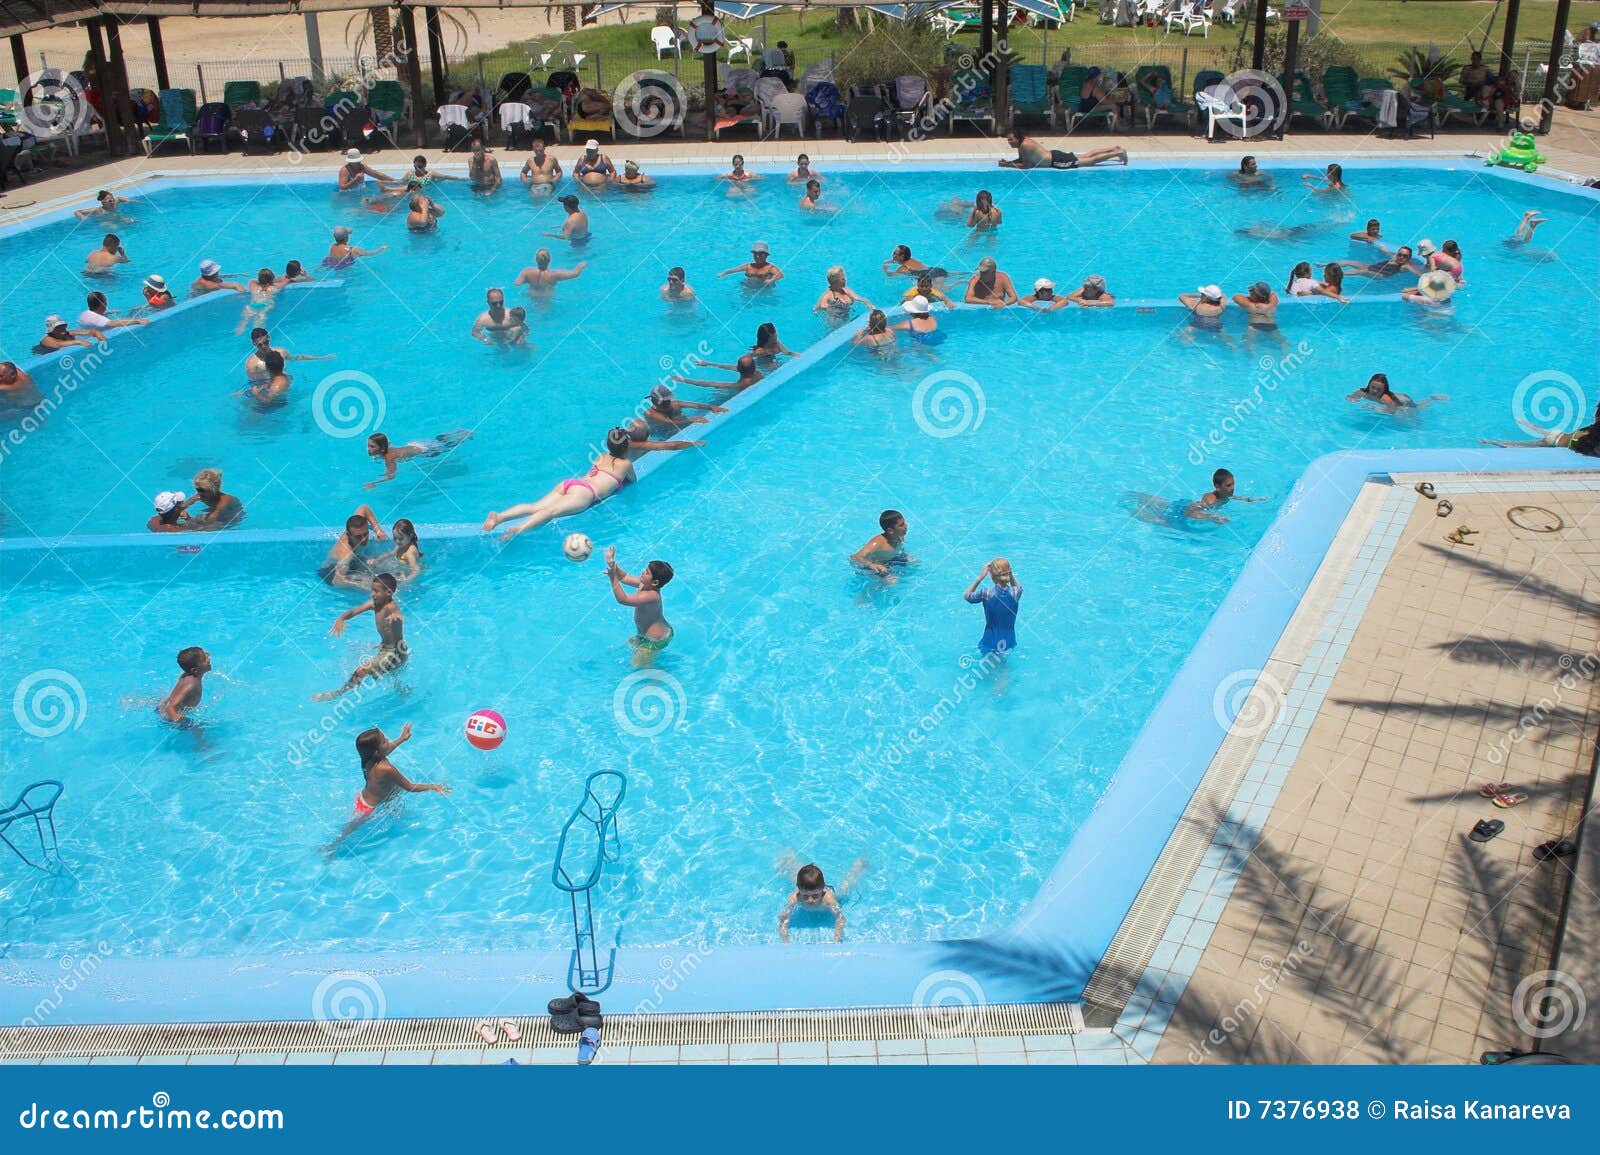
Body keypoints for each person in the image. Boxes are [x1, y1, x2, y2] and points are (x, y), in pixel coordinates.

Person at [483, 427, 638, 540]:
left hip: (572, 483)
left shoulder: (601, 457)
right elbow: (632, 480)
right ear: (626, 447)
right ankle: (519, 529)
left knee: (535, 506)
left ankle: (500, 516)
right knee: (550, 512)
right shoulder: (625, 464)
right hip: (586, 493)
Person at [322, 724, 451, 854]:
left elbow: (386, 750)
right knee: (348, 832)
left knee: (351, 828)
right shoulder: (386, 769)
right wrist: (434, 786)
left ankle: (331, 846)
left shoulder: (369, 759)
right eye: (384, 741)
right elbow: (410, 787)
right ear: (377, 751)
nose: (388, 741)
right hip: (369, 809)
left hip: (364, 798)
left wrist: (402, 738)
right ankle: (330, 849)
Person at [314, 573, 409, 700]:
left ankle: (337, 694)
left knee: (361, 670)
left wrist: (396, 615)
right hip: (385, 648)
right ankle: (401, 690)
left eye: (376, 591)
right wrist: (341, 618)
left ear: (389, 592)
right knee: (364, 653)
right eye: (372, 590)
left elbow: (395, 610)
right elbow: (354, 611)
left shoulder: (390, 606)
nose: (372, 594)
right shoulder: (374, 604)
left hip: (396, 651)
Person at [603, 547, 675, 667]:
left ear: (655, 582)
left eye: (646, 572)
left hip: (654, 641)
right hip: (648, 635)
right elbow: (624, 577)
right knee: (630, 645)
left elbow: (623, 599)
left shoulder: (652, 595)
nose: (643, 571)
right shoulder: (644, 584)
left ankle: (655, 681)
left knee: (637, 667)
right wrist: (612, 564)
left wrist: (612, 578)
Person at [778, 861, 865, 944]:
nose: (810, 900)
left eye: (815, 896)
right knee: (795, 876)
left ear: (822, 890)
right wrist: (785, 941)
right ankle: (788, 859)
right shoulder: (795, 898)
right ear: (799, 890)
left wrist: (837, 938)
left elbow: (840, 917)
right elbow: (783, 919)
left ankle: (858, 867)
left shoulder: (828, 899)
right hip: (808, 888)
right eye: (805, 896)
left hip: (834, 895)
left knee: (844, 889)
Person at [1481, 400, 1600, 455]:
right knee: (1522, 445)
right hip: (1556, 441)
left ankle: (1520, 422)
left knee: (1537, 430)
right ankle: (1495, 442)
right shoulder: (1592, 441)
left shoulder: (1592, 430)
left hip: (1561, 435)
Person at [365, 429, 473, 487]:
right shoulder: (387, 448)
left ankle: (463, 436)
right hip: (415, 444)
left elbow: (391, 476)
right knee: (439, 441)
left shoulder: (389, 457)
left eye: (372, 446)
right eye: (368, 445)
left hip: (425, 451)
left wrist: (374, 483)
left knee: (447, 446)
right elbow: (388, 443)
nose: (368, 449)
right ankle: (454, 433)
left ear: (382, 448)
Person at [964, 559, 1022, 656]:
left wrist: (981, 576)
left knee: (989, 668)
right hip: (1008, 641)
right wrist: (1010, 575)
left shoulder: (985, 594)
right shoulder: (1015, 593)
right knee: (1004, 667)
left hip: (989, 641)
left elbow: (967, 596)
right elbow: (1019, 588)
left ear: (991, 575)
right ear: (1008, 573)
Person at [320, 507, 388, 588]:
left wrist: (378, 530)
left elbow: (364, 508)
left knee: (379, 565)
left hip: (350, 562)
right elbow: (337, 581)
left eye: (366, 533)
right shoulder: (347, 554)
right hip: (331, 572)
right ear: (349, 534)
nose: (363, 539)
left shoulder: (355, 526)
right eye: (358, 536)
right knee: (368, 578)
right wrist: (367, 586)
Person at [998, 130, 1126, 170]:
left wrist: (1008, 165)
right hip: (1054, 155)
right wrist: (1008, 162)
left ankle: (1118, 152)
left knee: (1089, 161)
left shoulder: (1024, 146)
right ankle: (1114, 149)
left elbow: (1027, 165)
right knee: (1086, 155)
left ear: (1017, 138)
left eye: (1010, 140)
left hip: (1057, 161)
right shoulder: (1023, 142)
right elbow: (1022, 160)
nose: (1009, 142)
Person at [246, 327, 332, 384]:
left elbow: (296, 358)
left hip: (287, 383)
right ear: (254, 343)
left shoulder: (281, 352)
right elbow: (252, 383)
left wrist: (320, 358)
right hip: (271, 390)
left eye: (266, 342)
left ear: (269, 337)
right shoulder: (252, 363)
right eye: (260, 345)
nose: (264, 346)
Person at [1185, 468, 1261, 524]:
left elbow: (1235, 497)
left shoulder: (1226, 494)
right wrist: (1212, 517)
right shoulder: (1210, 500)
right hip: (1182, 510)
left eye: (1233, 484)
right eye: (1228, 485)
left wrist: (1251, 500)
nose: (1233, 488)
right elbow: (1190, 513)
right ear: (1217, 487)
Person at [851, 509, 911, 579]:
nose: (906, 526)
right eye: (901, 525)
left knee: (914, 561)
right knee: (892, 581)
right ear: (890, 530)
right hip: (874, 568)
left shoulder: (899, 536)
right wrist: (871, 565)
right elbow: (855, 557)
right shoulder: (878, 543)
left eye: (904, 523)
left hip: (889, 561)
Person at [159, 646, 211, 723]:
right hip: (170, 717)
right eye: (204, 658)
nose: (208, 656)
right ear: (195, 670)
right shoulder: (190, 686)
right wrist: (181, 721)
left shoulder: (189, 674)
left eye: (205, 654)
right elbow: (169, 708)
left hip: (163, 708)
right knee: (198, 729)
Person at [180, 468, 244, 529]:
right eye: (197, 489)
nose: (199, 493)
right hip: (215, 512)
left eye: (202, 490)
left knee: (209, 528)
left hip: (232, 514)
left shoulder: (223, 502)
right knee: (193, 524)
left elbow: (209, 521)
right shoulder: (200, 495)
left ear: (214, 490)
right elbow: (183, 506)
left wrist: (188, 519)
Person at [644, 384, 726, 430]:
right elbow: (668, 422)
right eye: (665, 401)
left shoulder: (675, 404)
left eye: (668, 399)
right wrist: (691, 420)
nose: (668, 402)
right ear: (655, 401)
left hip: (682, 426)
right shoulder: (650, 413)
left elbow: (696, 405)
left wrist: (711, 407)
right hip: (663, 434)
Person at [672, 354, 764, 393]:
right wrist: (708, 363)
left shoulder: (740, 385)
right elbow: (731, 367)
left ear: (739, 368)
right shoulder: (757, 374)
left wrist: (683, 380)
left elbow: (710, 384)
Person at [514, 247, 586, 294]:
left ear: (536, 260)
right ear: (550, 260)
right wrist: (580, 266)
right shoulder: (554, 275)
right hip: (546, 299)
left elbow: (517, 283)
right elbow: (575, 274)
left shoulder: (527, 271)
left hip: (531, 296)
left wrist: (528, 279)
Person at [1233, 281, 1282, 346]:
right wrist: (1268, 305)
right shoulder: (1271, 305)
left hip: (1255, 326)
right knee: (1283, 342)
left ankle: (1253, 355)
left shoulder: (1251, 305)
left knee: (1248, 344)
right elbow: (1273, 294)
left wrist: (1249, 299)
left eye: (1252, 290)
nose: (1249, 291)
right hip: (1271, 325)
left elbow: (1235, 297)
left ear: (1255, 295)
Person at [78, 291, 150, 332]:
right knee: (134, 314)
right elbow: (113, 323)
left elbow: (94, 318)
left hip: (89, 332)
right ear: (102, 304)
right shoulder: (97, 319)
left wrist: (107, 313)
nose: (106, 305)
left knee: (134, 311)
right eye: (105, 302)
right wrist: (138, 320)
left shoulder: (84, 314)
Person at [1338, 244, 1422, 279]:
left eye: (1405, 256)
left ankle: (1337, 275)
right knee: (1349, 262)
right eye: (1400, 254)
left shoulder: (1405, 266)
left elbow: (1417, 274)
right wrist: (1383, 248)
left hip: (1380, 275)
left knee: (1362, 271)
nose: (1401, 257)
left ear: (1409, 257)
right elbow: (1387, 252)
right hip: (1372, 267)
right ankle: (1329, 266)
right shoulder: (1394, 257)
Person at [718, 241, 783, 284]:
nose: (757, 256)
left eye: (760, 254)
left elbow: (780, 276)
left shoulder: (770, 268)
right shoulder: (748, 266)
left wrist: (771, 280)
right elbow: (734, 270)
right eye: (755, 254)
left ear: (766, 255)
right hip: (747, 288)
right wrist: (723, 273)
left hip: (764, 291)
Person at [883, 245, 950, 285]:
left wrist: (885, 269)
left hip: (933, 276)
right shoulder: (912, 260)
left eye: (895, 253)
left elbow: (890, 275)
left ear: (902, 256)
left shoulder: (903, 268)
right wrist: (892, 261)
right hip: (937, 270)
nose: (893, 255)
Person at [1346, 372, 1415, 410]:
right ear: (1369, 385)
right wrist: (1352, 399)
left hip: (1404, 401)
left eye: (1379, 389)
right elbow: (1350, 397)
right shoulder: (1363, 393)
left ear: (1384, 390)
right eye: (1373, 387)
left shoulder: (1385, 399)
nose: (1375, 391)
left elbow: (1392, 410)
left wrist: (1374, 408)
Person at [74, 189, 141, 220]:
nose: (112, 201)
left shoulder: (116, 201)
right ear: (103, 201)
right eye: (110, 200)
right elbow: (77, 212)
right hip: (106, 221)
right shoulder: (98, 210)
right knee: (113, 228)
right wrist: (83, 217)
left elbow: (127, 200)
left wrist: (132, 201)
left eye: (113, 199)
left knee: (133, 221)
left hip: (118, 217)